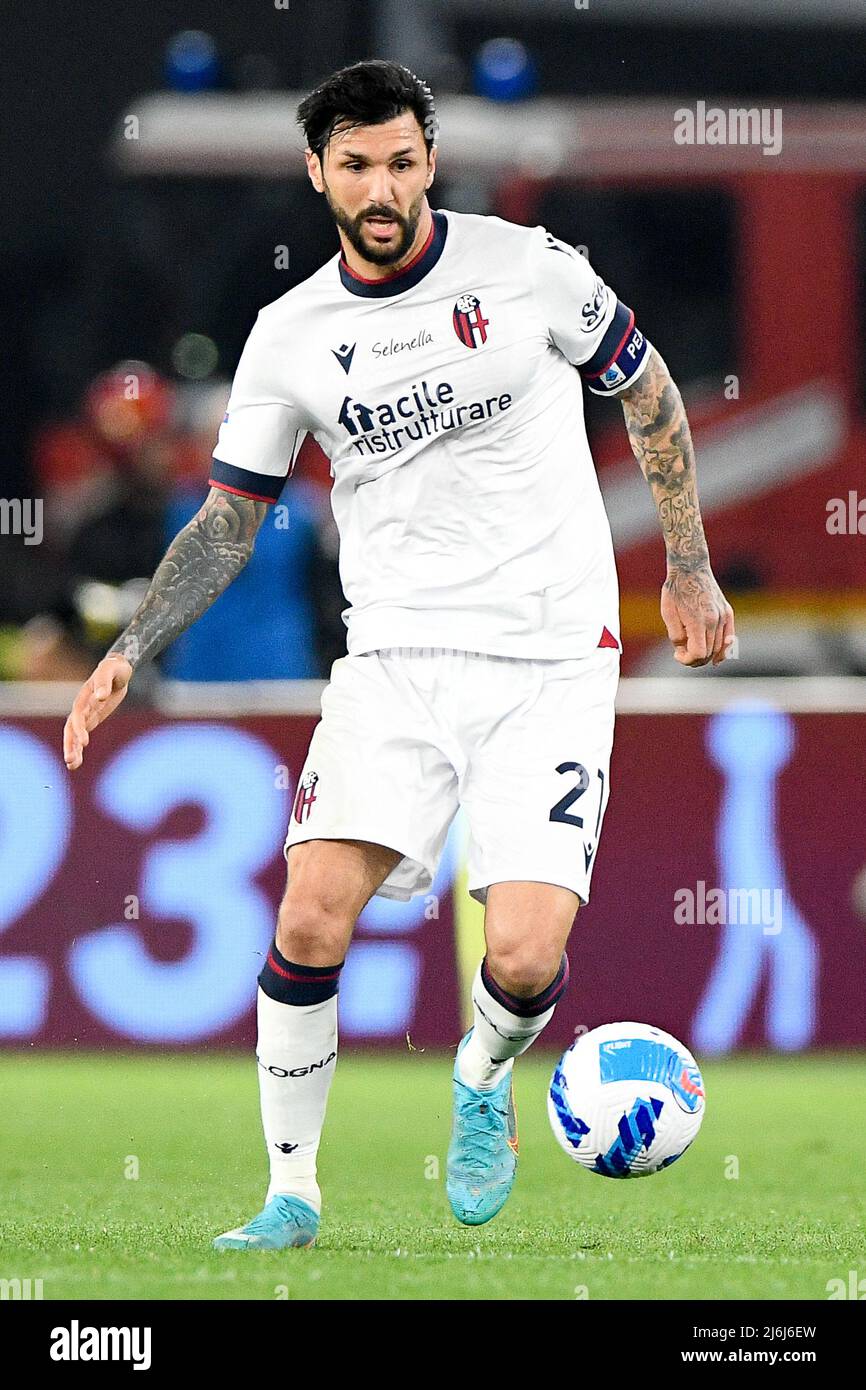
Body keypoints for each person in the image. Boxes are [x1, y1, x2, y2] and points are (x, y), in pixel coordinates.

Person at [63, 59, 735, 1251]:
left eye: (401, 160)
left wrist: (685, 563)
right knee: (311, 913)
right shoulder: (289, 337)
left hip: (548, 657)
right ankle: (289, 1193)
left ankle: (483, 1072)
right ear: (318, 172)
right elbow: (229, 515)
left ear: (429, 159)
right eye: (356, 164)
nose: (382, 186)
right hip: (395, 661)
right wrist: (130, 647)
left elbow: (648, 391)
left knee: (525, 957)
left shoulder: (527, 268)